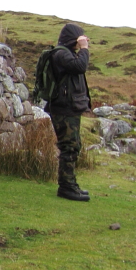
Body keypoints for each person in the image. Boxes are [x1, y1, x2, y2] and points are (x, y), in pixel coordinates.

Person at [47, 23, 91, 201]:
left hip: (69, 107)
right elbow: (80, 66)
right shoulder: (61, 54)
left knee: (73, 146)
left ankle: (70, 184)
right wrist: (84, 48)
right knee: (69, 147)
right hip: (64, 108)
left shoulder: (66, 53)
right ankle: (66, 187)